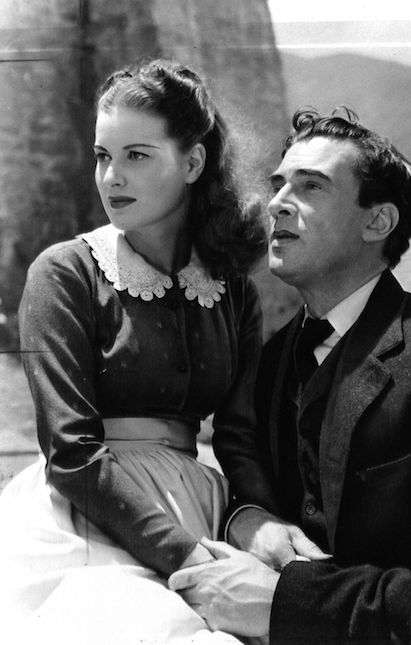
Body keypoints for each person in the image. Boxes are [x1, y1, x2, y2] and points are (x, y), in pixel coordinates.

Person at [169, 107, 411, 643]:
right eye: (278, 185)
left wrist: (284, 604)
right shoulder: (268, 364)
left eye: (311, 186)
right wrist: (246, 518)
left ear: (377, 222)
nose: (276, 203)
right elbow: (241, 479)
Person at [0, 58, 267, 645]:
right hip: (90, 516)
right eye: (103, 156)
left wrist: (255, 519)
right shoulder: (65, 274)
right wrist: (189, 557)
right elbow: (70, 451)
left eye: (136, 156)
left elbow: (240, 439)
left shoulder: (232, 292)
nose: (111, 177)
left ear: (193, 163)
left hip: (202, 509)